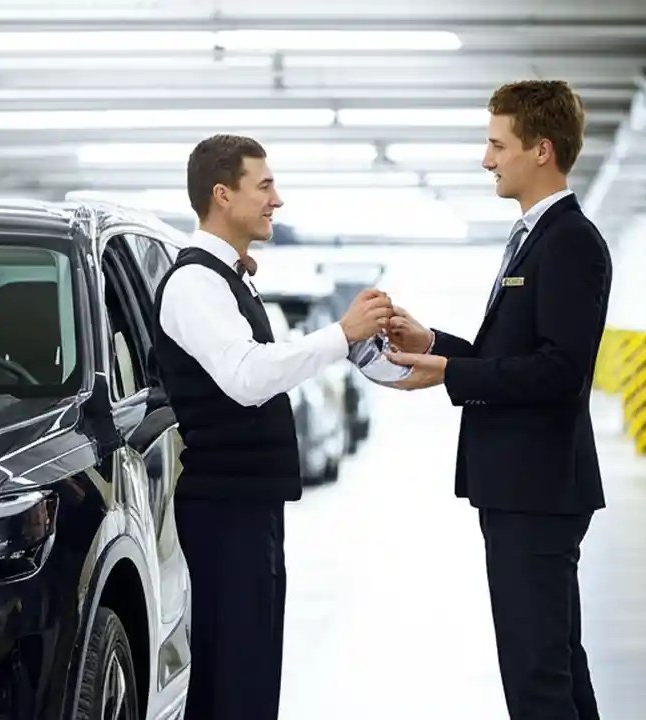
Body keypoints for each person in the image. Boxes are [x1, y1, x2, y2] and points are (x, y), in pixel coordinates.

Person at [384, 80, 612, 720]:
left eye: (497, 145)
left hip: (536, 488)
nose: (486, 159)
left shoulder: (568, 241)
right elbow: (518, 353)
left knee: (536, 674)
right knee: (555, 663)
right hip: (525, 485)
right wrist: (433, 343)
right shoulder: (537, 236)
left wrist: (451, 374)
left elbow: (559, 371)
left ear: (542, 150)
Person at [151, 133, 393, 720]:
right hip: (226, 508)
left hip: (245, 503)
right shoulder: (196, 283)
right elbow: (247, 376)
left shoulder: (227, 278)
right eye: (264, 186)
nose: (276, 200)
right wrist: (341, 333)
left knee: (246, 671)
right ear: (222, 195)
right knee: (237, 677)